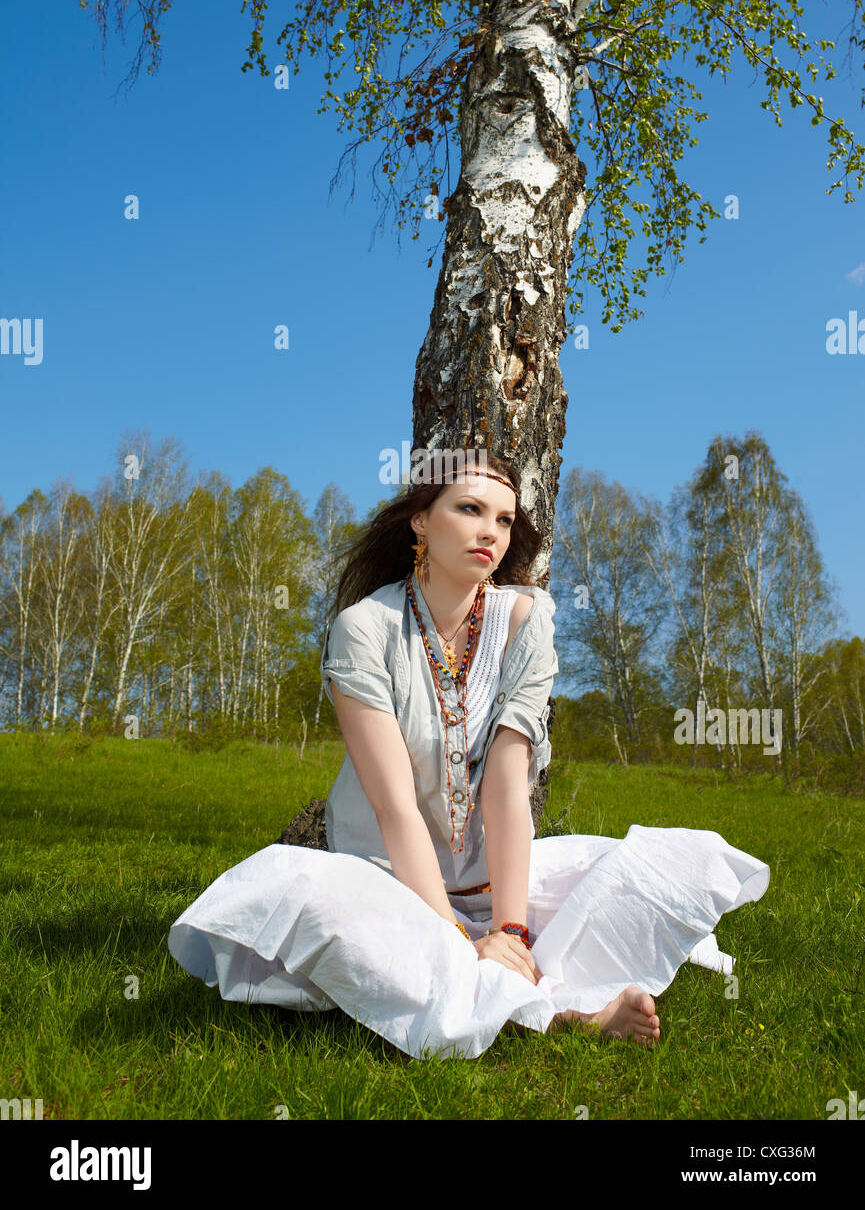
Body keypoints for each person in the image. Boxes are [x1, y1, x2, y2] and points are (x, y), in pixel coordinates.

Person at [168, 452, 770, 1061]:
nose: (491, 532)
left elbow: (507, 787)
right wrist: (454, 935)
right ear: (421, 521)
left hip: (495, 882)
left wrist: (508, 931)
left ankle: (509, 986)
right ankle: (564, 1009)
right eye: (470, 509)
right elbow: (393, 803)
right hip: (386, 878)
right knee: (304, 896)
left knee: (642, 871)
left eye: (505, 520)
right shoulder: (364, 628)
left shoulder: (526, 620)